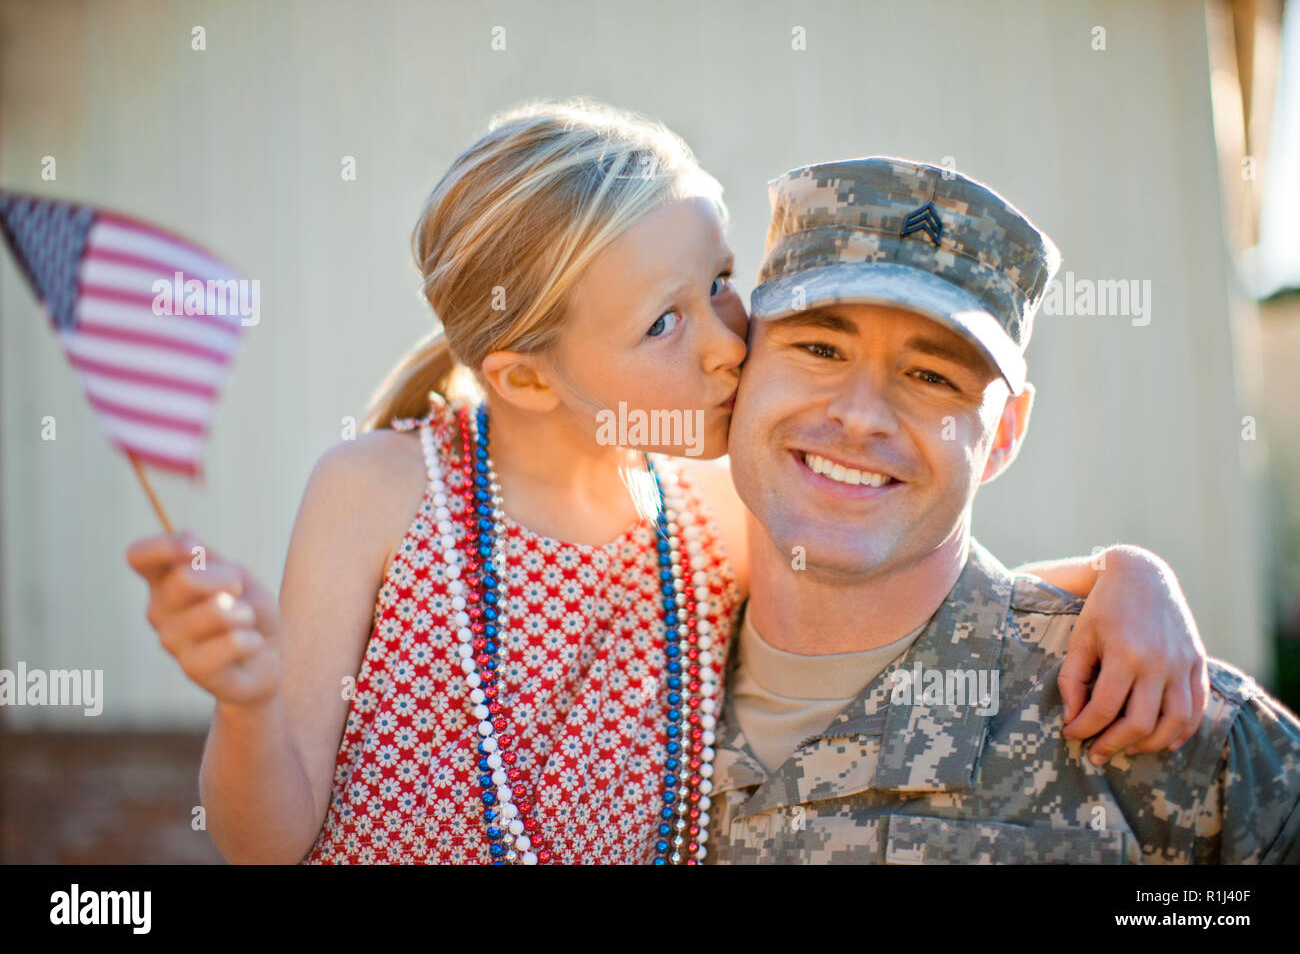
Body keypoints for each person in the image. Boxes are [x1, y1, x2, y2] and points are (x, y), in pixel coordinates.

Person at [128, 100, 1206, 866]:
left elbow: (908, 591)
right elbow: (261, 840)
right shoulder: (380, 492)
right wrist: (249, 697)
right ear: (521, 375)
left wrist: (1125, 574)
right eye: (664, 322)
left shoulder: (709, 507)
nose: (731, 343)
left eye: (723, 284)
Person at [712, 155, 1300, 864]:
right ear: (739, 366)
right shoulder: (629, 689)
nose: (863, 416)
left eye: (932, 375)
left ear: (1006, 434)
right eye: (819, 347)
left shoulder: (1163, 728)